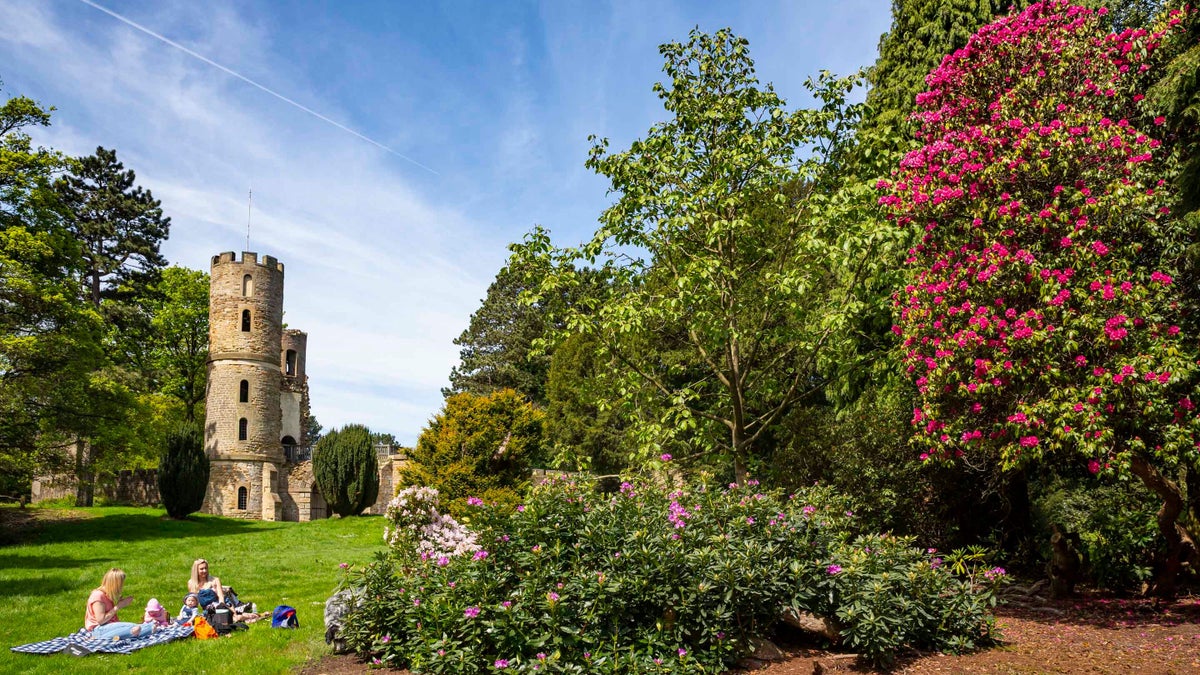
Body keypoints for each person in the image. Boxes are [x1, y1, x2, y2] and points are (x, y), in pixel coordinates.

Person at [84, 568, 157, 641]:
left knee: (138, 627)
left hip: (108, 627)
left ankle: (133, 632)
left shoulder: (106, 595)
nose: (121, 588)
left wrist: (119, 603)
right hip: (99, 630)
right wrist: (118, 606)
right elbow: (101, 620)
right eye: (121, 585)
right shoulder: (98, 596)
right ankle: (137, 632)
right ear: (115, 584)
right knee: (136, 628)